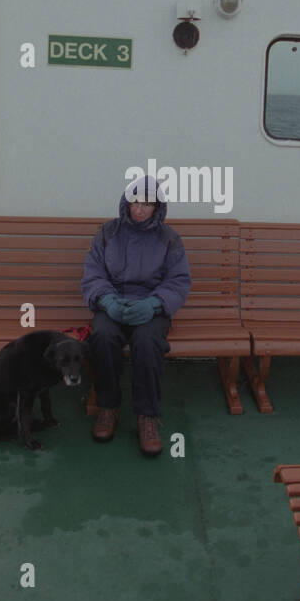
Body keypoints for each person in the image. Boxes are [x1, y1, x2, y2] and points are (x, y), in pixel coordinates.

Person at [80, 175, 191, 456]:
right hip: (113, 303)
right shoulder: (107, 233)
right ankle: (108, 407)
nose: (139, 209)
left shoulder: (169, 239)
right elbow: (93, 274)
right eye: (135, 202)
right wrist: (106, 299)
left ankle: (147, 415)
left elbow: (178, 281)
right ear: (125, 203)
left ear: (157, 207)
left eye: (147, 203)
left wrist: (154, 304)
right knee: (103, 336)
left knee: (147, 341)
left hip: (151, 307)